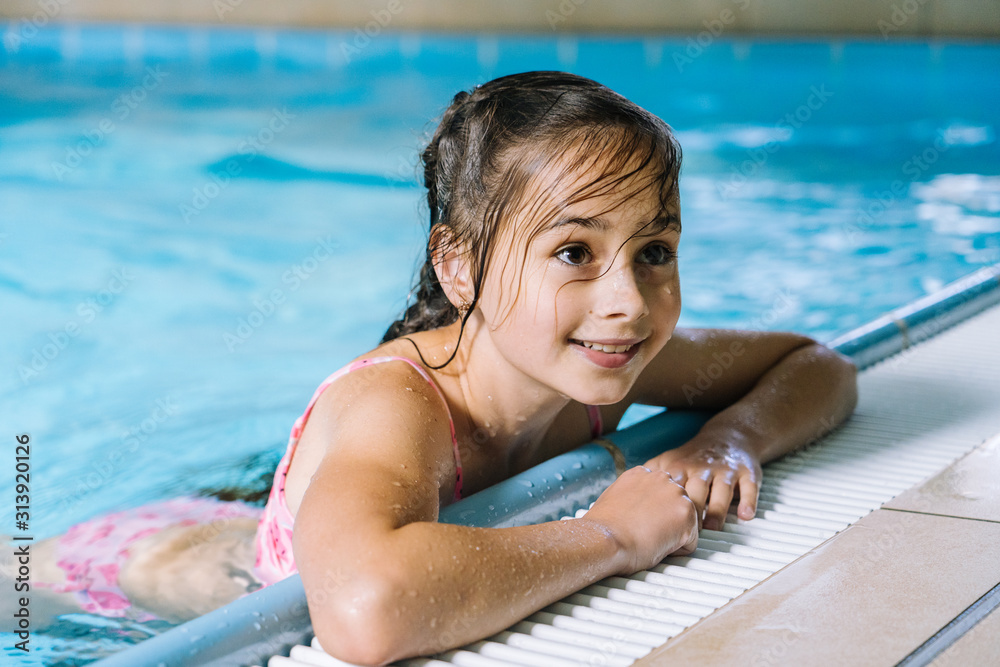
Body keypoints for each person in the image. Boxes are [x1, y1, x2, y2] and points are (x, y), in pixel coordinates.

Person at [4, 71, 857, 664]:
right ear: (460, 267)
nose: (628, 301)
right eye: (574, 252)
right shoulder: (397, 404)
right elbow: (366, 613)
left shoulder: (603, 356)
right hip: (124, 572)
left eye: (655, 250)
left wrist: (730, 442)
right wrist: (612, 536)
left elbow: (815, 364)